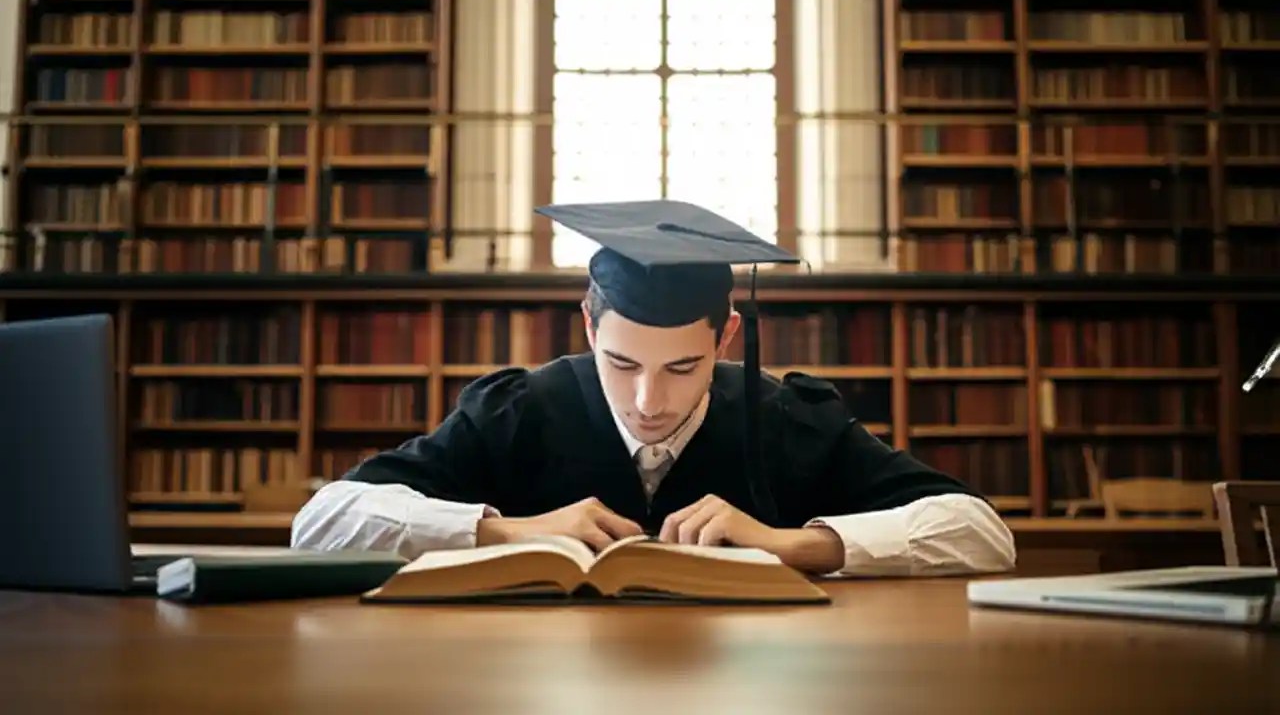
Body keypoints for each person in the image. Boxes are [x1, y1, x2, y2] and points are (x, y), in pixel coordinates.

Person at [292, 200, 1016, 576]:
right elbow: (321, 524)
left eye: (681, 368)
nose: (648, 402)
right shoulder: (519, 410)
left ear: (725, 338)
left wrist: (793, 546)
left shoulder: (787, 417)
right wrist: (505, 532)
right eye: (622, 363)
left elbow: (983, 533)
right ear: (588, 325)